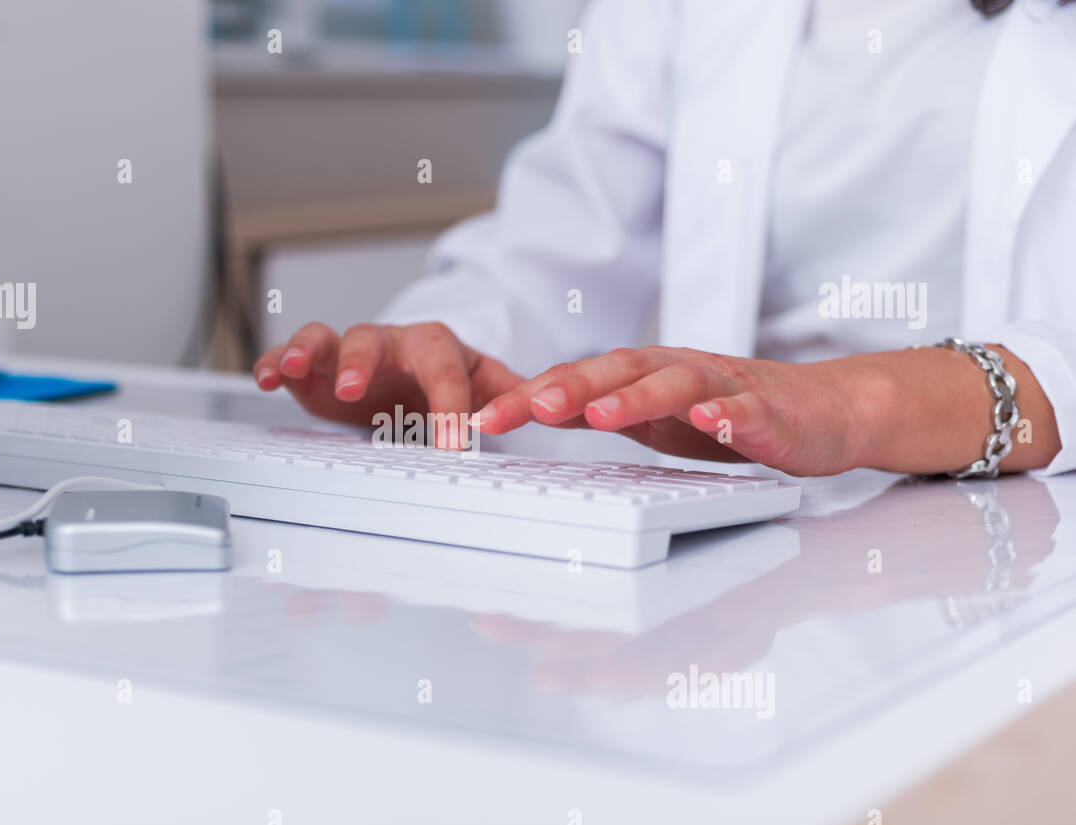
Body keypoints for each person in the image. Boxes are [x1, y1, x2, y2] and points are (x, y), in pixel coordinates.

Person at [253, 0, 1076, 478]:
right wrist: (448, 358)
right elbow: (564, 236)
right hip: (757, 540)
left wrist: (863, 403)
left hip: (1024, 544)